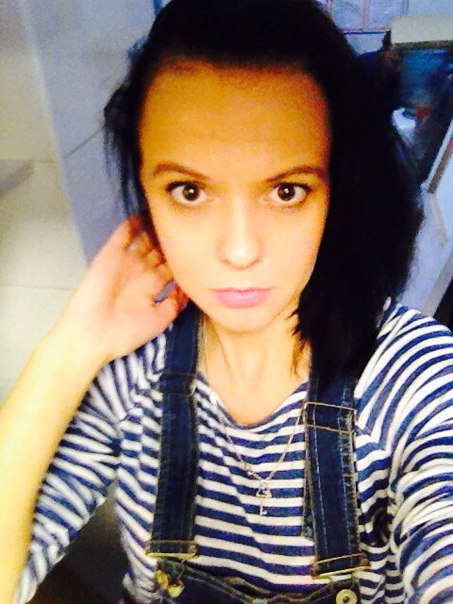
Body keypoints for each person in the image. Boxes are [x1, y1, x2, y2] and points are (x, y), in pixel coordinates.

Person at [1, 0, 452, 603]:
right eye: (189, 191)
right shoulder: (130, 375)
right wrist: (69, 346)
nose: (239, 251)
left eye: (286, 191)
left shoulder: (415, 380)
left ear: (337, 194)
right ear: (146, 194)